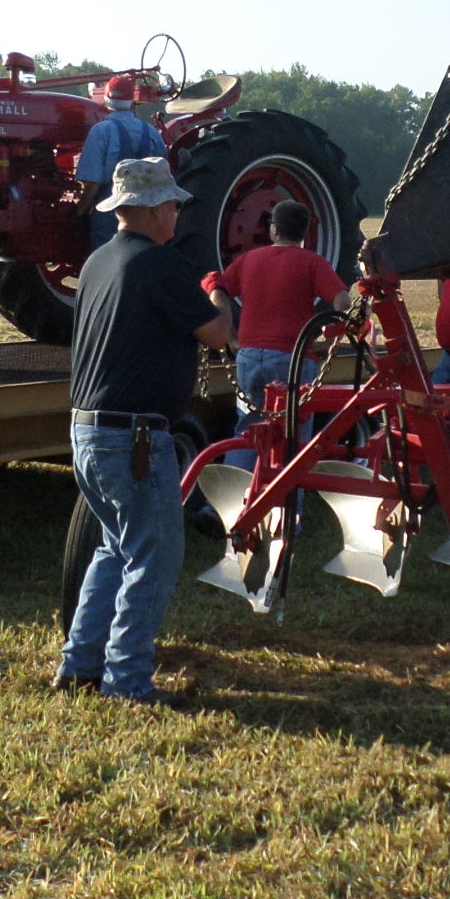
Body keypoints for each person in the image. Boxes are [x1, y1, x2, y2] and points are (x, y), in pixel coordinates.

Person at [57, 156, 233, 706]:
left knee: (115, 549)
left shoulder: (96, 263)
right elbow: (218, 335)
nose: (177, 214)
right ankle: (127, 683)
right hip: (134, 436)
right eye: (174, 205)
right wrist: (218, 291)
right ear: (157, 208)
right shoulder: (161, 265)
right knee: (154, 558)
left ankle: (79, 667)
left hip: (86, 430)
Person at [205, 200, 349, 427]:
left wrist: (231, 338)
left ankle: (239, 463)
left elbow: (216, 288)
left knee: (248, 431)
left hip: (248, 357)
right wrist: (333, 339)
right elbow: (343, 301)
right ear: (305, 233)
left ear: (274, 230)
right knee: (293, 434)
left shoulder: (248, 260)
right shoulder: (314, 262)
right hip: (292, 359)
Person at [76, 77, 167, 250]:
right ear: (132, 100)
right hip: (147, 216)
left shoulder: (100, 131)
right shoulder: (152, 133)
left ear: (107, 99)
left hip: (111, 216)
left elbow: (92, 182)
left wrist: (80, 212)